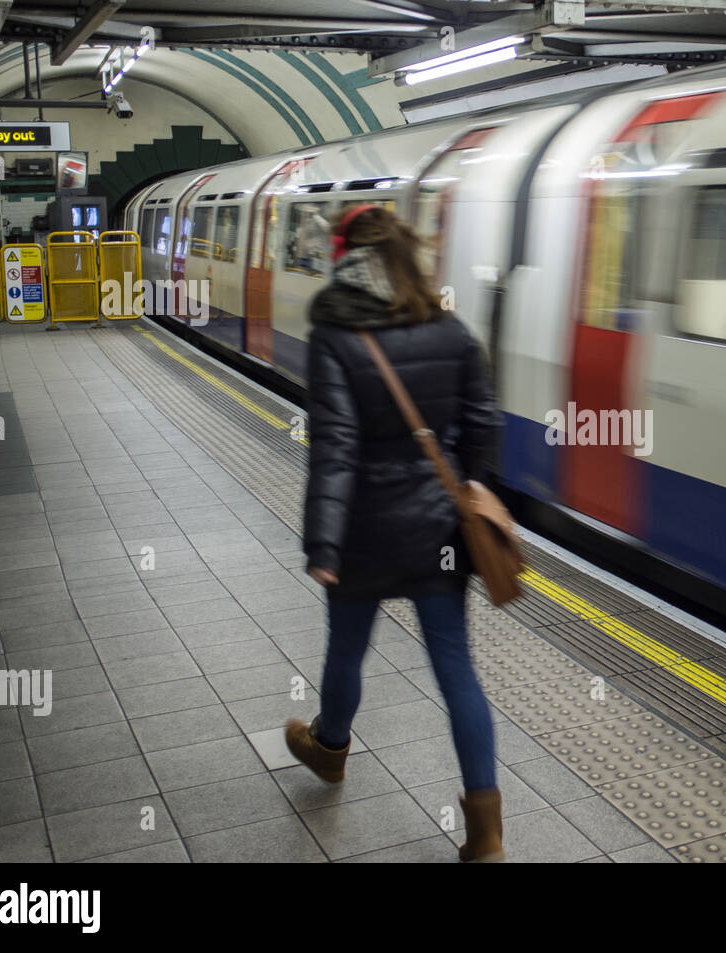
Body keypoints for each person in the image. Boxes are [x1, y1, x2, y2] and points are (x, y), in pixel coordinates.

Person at [285, 203, 504, 862]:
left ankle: (330, 751)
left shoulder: (334, 334)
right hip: (439, 532)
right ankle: (486, 834)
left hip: (361, 534)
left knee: (347, 652)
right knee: (457, 672)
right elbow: (486, 425)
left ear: (347, 259)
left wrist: (323, 542)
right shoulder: (452, 329)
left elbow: (337, 445)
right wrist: (457, 484)